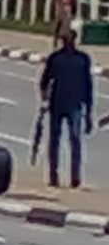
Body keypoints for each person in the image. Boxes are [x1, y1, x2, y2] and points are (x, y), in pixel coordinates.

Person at [40, 29, 93, 190]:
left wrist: (89, 112)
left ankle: (75, 177)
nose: (69, 42)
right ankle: (53, 175)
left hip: (75, 105)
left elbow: (88, 86)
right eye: (67, 39)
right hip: (57, 105)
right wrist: (45, 99)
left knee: (75, 140)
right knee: (55, 141)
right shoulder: (55, 58)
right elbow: (44, 81)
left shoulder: (83, 59)